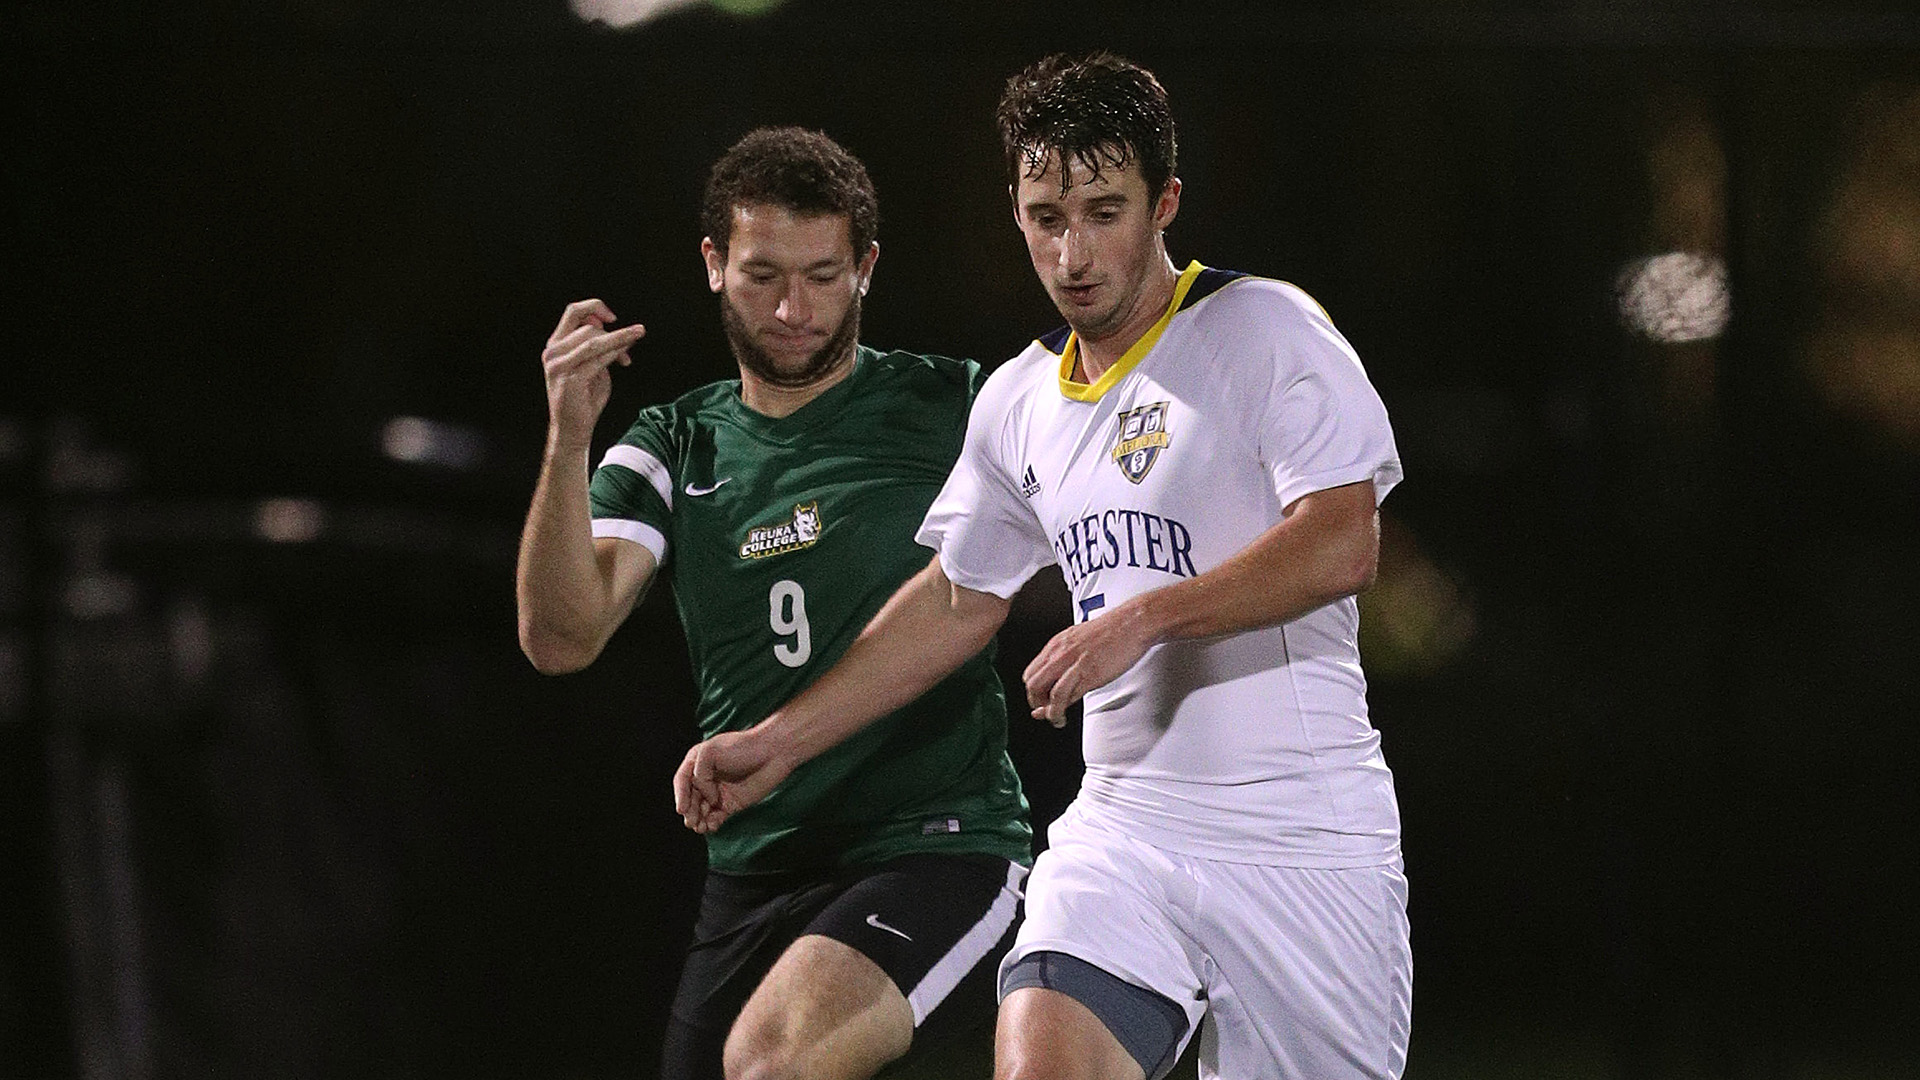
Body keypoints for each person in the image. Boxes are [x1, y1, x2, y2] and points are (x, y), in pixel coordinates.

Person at [675, 55, 1411, 1080]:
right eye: (1044, 216)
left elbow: (1342, 539)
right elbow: (957, 596)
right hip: (1124, 828)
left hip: (1298, 833)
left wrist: (1147, 618)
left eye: (1104, 211)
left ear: (1167, 204)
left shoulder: (1264, 330)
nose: (1071, 252)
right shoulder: (1020, 400)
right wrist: (781, 740)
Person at [516, 127, 1031, 1080]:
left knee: (775, 1061)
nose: (794, 308)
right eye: (762, 276)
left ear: (866, 268)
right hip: (753, 868)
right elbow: (560, 636)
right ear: (712, 264)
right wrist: (567, 435)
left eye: (824, 275)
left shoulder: (958, 406)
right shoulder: (675, 442)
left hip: (934, 847)